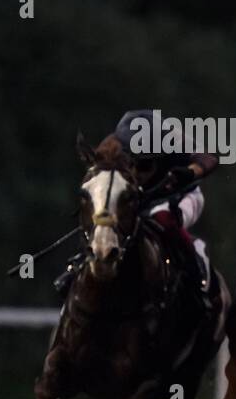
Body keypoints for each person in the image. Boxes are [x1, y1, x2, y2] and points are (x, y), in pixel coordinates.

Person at [55, 109, 219, 309]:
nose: (138, 171)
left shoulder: (174, 138)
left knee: (163, 219)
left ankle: (196, 273)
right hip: (137, 198)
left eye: (146, 164)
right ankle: (79, 265)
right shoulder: (112, 145)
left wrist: (189, 172)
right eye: (133, 162)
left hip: (181, 195)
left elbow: (210, 159)